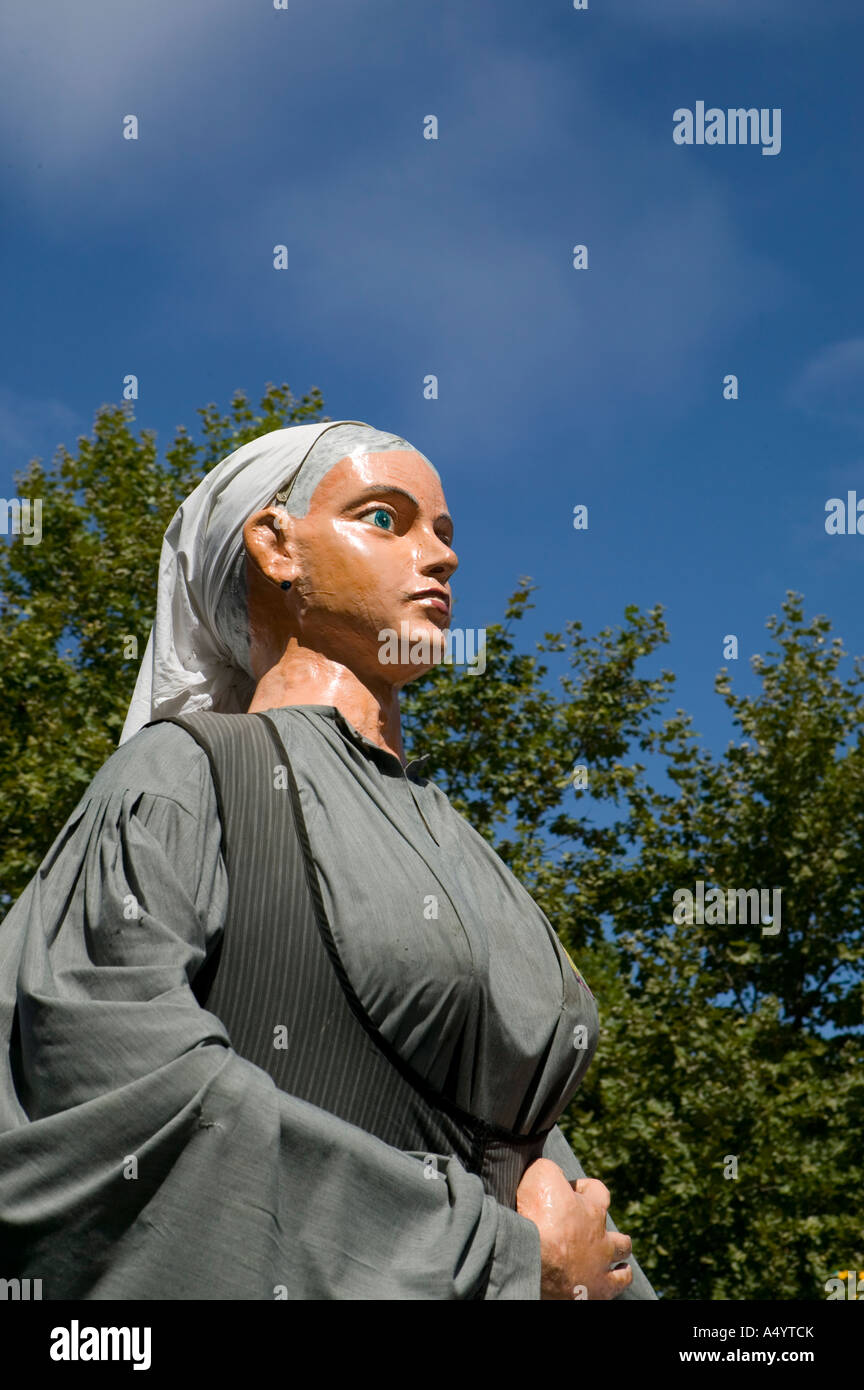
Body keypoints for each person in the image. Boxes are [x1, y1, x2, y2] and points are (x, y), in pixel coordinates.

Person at [0, 419, 657, 1301]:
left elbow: (546, 1181)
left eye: (446, 533)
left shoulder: (461, 843)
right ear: (274, 546)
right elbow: (116, 1085)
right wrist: (494, 1258)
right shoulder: (190, 772)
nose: (443, 558)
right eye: (386, 519)